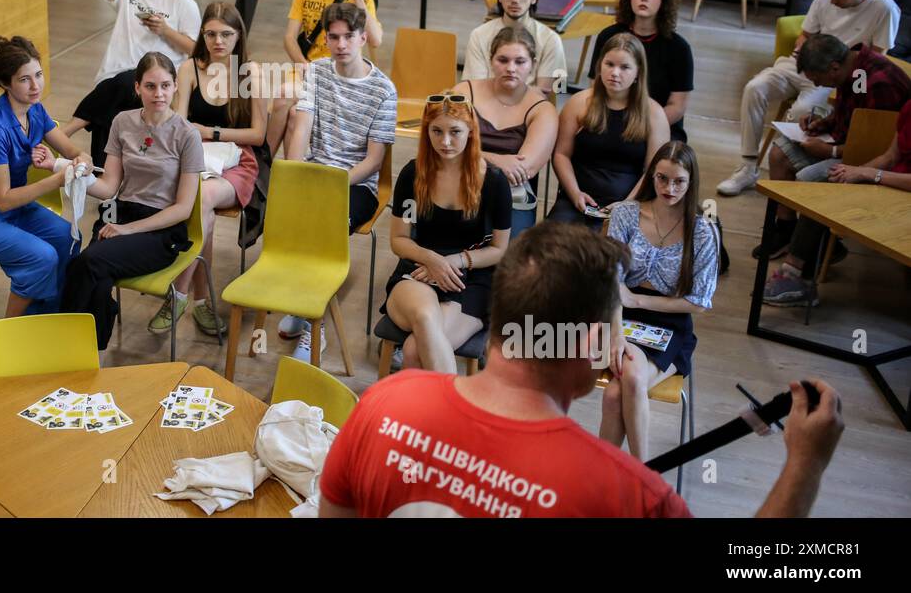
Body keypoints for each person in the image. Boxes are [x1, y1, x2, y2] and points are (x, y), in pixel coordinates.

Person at [319, 223, 845, 518]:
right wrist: (806, 465)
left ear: (499, 315)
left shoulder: (382, 404)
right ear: (594, 343)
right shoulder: (628, 496)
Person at [717, 0, 900, 196]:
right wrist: (800, 53)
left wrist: (844, 89)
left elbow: (876, 58)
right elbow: (805, 35)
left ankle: (784, 169)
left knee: (802, 113)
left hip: (835, 77)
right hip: (805, 63)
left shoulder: (884, 7)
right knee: (755, 88)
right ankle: (748, 167)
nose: (831, 0)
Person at [59, 52, 204, 350]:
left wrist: (128, 230)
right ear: (137, 88)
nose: (158, 94)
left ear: (176, 86)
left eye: (165, 85)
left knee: (88, 262)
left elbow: (183, 209)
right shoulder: (122, 122)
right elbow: (109, 185)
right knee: (94, 271)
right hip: (119, 215)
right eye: (150, 86)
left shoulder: (187, 135)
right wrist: (75, 174)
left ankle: (68, 344)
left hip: (161, 229)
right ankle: (87, 348)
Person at [281, 2, 398, 361]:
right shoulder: (316, 71)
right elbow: (301, 126)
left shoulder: (384, 90)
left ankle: (315, 326)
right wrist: (296, 174)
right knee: (292, 220)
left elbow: (374, 160)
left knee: (322, 230)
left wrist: (333, 184)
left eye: (349, 36)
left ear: (364, 37)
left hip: (355, 185)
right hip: (314, 174)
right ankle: (303, 301)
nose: (341, 44)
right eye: (334, 37)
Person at [0, 36, 92, 328]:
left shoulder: (35, 110)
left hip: (17, 210)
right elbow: (2, 199)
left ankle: (46, 317)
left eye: (38, 75)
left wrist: (81, 159)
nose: (35, 86)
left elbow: (72, 150)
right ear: (5, 83)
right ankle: (7, 333)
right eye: (24, 80)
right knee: (42, 257)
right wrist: (57, 180)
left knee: (67, 239)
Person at [601, 143, 719, 460]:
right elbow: (609, 278)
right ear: (651, 176)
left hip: (669, 321)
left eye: (679, 181)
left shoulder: (704, 231)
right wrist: (614, 335)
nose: (669, 188)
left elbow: (698, 302)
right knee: (615, 394)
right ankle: (612, 476)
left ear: (692, 181)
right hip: (617, 313)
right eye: (662, 178)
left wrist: (638, 300)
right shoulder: (626, 214)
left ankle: (639, 472)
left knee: (631, 379)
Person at [753, 34, 911, 264]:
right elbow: (854, 112)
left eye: (817, 79)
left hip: (869, 158)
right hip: (845, 142)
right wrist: (823, 123)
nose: (817, 86)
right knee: (778, 154)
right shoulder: (855, 70)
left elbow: (875, 145)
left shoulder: (879, 83)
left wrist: (832, 153)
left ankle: (818, 246)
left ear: (834, 68)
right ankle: (786, 230)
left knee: (811, 178)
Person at [381, 93, 511, 373]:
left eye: (455, 132)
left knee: (415, 351)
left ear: (471, 132)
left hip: (471, 278)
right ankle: (454, 413)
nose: (446, 142)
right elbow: (399, 240)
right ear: (426, 132)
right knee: (426, 317)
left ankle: (425, 415)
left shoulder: (494, 181)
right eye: (436, 132)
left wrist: (453, 261)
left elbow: (500, 250)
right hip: (418, 269)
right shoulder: (413, 174)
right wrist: (432, 260)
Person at [163, 3, 267, 337]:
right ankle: (200, 302)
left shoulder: (252, 72)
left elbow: (258, 135)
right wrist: (195, 139)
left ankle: (178, 293)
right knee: (200, 208)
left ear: (239, 36)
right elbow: (179, 125)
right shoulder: (189, 69)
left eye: (226, 34)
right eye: (210, 34)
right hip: (197, 156)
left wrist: (210, 132)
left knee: (202, 197)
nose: (218, 41)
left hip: (238, 160)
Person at [62, 0, 201, 166]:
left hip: (152, 83)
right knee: (111, 101)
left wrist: (165, 30)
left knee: (122, 85)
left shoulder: (181, 1)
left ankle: (67, 132)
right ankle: (103, 176)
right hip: (114, 77)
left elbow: (196, 50)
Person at [766, 98, 911, 307]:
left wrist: (871, 174)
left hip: (902, 193)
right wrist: (854, 172)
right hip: (891, 182)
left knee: (825, 188)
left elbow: (883, 170)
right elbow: (890, 157)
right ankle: (795, 273)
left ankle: (795, 271)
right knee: (825, 187)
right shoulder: (908, 107)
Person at [272, 0, 383, 155]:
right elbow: (289, 38)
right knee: (284, 99)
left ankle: (281, 172)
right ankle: (266, 161)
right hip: (308, 68)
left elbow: (375, 40)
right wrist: (302, 63)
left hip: (340, 73)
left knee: (296, 114)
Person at [549, 32, 670, 228]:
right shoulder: (579, 103)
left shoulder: (654, 114)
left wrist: (626, 205)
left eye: (624, 67)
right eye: (609, 64)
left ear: (638, 72)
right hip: (578, 198)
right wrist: (574, 194)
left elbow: (654, 171)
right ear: (599, 66)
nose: (615, 73)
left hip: (631, 202)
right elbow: (561, 154)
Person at [450, 26, 558, 237]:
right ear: (491, 61)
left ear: (532, 65)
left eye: (520, 62)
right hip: (459, 182)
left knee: (508, 258)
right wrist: (499, 160)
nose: (511, 68)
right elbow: (445, 149)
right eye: (503, 60)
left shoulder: (543, 110)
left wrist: (470, 154)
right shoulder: (464, 91)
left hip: (511, 196)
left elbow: (522, 170)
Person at [589, 0, 694, 143]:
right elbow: (595, 87)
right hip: (611, 120)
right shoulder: (608, 36)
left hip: (657, 124)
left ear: (664, 1)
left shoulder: (679, 48)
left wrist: (643, 125)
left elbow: (677, 106)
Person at [461, 0, 567, 93]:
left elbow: (547, 92)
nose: (515, 0)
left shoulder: (551, 39)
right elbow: (474, 87)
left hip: (530, 107)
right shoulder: (479, 35)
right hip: (486, 104)